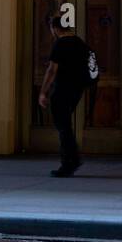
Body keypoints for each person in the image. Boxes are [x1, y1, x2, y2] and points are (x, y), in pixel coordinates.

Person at [38, 14, 90, 177]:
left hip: (62, 89)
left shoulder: (60, 44)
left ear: (54, 28)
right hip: (77, 89)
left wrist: (43, 92)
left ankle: (69, 162)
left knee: (63, 126)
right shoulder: (80, 42)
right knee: (65, 124)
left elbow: (52, 70)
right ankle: (72, 159)